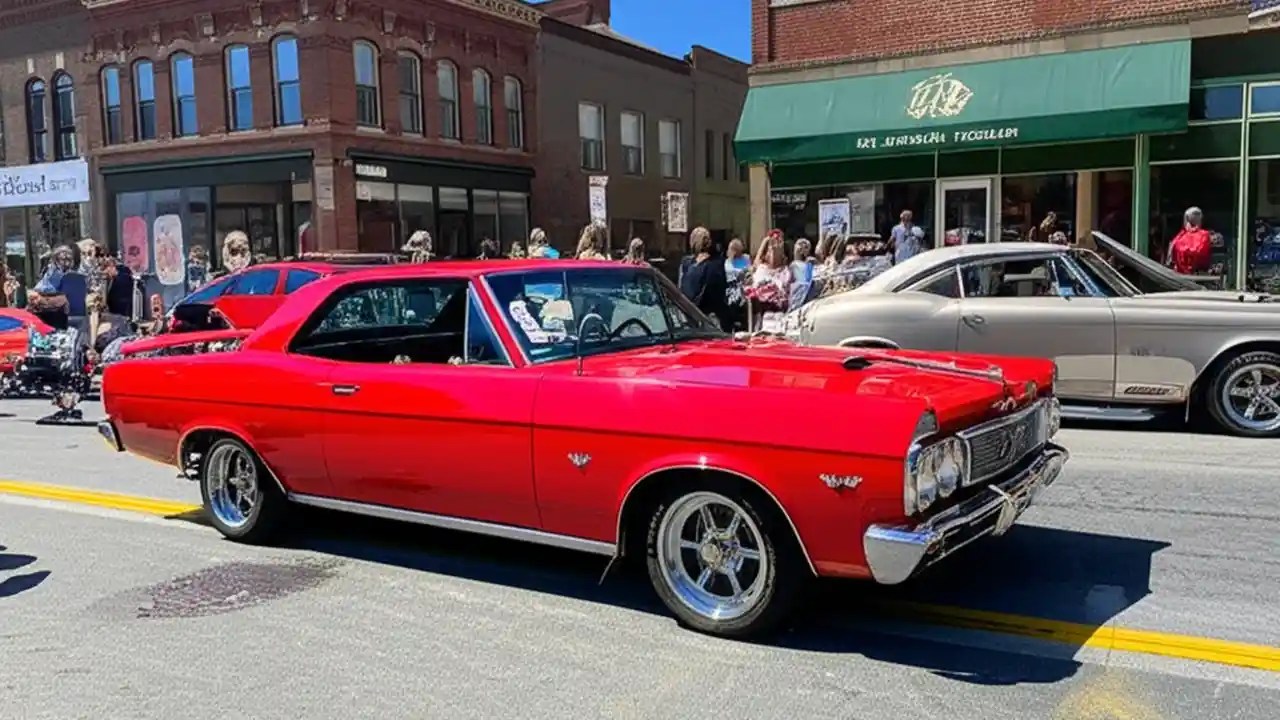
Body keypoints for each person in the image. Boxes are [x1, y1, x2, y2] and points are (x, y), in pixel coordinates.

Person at [678, 226, 727, 328]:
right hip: (710, 316)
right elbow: (720, 291)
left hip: (688, 315)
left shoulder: (686, 264)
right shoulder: (717, 264)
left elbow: (680, 289)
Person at [746, 233, 791, 329]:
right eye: (770, 250)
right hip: (763, 316)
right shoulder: (761, 269)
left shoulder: (787, 271)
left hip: (782, 316)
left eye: (779, 249)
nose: (774, 253)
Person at [1167, 206, 1212, 276]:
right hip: (1181, 273)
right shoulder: (1182, 235)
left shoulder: (1203, 234)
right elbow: (1173, 250)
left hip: (1196, 273)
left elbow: (1199, 251)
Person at [722, 238, 750, 331]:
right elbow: (734, 274)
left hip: (745, 292)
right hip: (732, 295)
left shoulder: (745, 258)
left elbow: (749, 271)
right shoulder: (727, 262)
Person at [788, 237, 815, 310]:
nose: (801, 248)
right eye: (799, 244)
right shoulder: (791, 265)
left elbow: (807, 281)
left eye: (805, 247)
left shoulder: (810, 264)